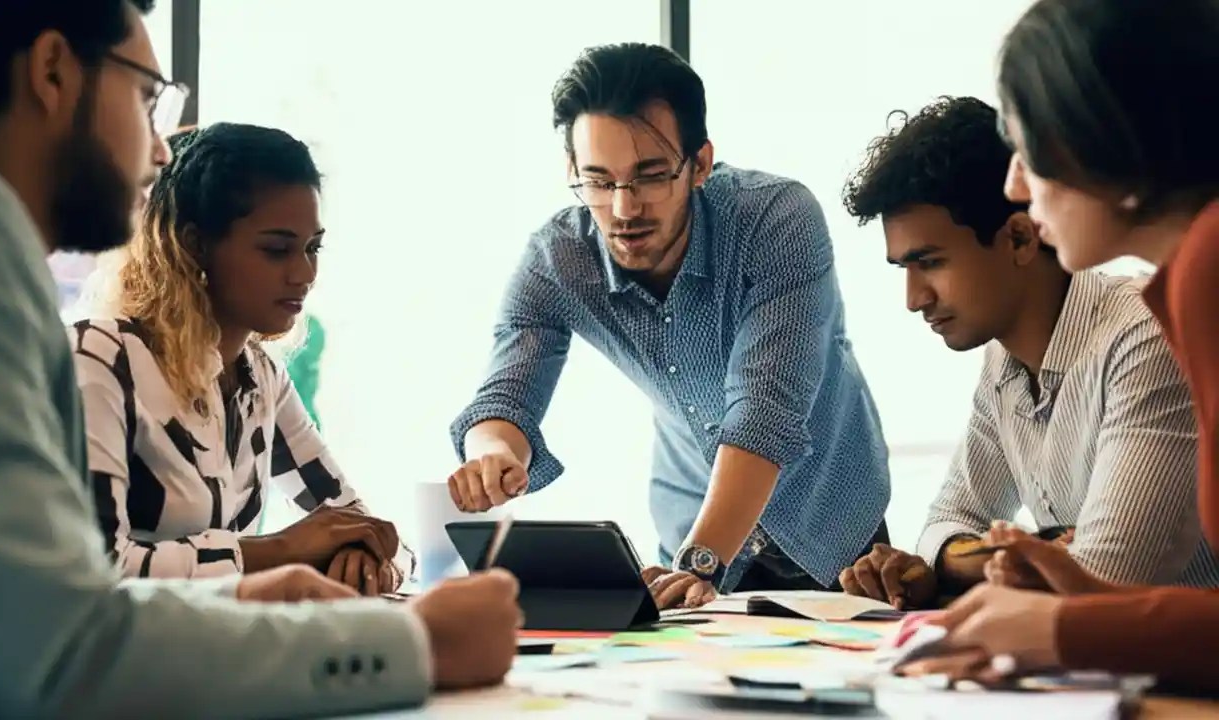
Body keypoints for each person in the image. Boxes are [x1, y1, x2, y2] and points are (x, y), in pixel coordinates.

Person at [0, 1, 519, 716]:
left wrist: (273, 582)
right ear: (53, 71)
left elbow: (353, 525)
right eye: (148, 98)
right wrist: (416, 645)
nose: (160, 151)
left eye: (312, 249)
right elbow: (65, 645)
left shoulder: (258, 378)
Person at [446, 42, 891, 609]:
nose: (624, 209)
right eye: (598, 181)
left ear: (699, 164)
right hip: (689, 531)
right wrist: (492, 453)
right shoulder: (557, 258)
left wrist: (702, 558)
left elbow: (765, 412)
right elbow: (504, 397)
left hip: (830, 530)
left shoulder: (776, 218)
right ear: (572, 171)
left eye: (651, 176)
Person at [895, 0, 1219, 694]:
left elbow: (1123, 575)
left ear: (1109, 135)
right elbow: (948, 520)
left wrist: (1056, 627)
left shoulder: (1204, 270)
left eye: (1030, 147)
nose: (1016, 184)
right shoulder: (1190, 276)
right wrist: (1063, 592)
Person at [836, 96, 1219, 609]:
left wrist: (983, 560)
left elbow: (1104, 574)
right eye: (903, 268)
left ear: (1018, 239)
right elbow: (942, 526)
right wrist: (1019, 554)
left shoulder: (1142, 339)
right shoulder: (1004, 363)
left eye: (930, 262)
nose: (913, 298)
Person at [72, 123, 411, 594]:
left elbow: (373, 531)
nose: (305, 273)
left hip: (218, 638)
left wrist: (368, 559)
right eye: (277, 250)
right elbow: (93, 567)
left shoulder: (262, 378)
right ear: (194, 245)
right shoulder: (102, 358)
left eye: (313, 248)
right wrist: (281, 550)